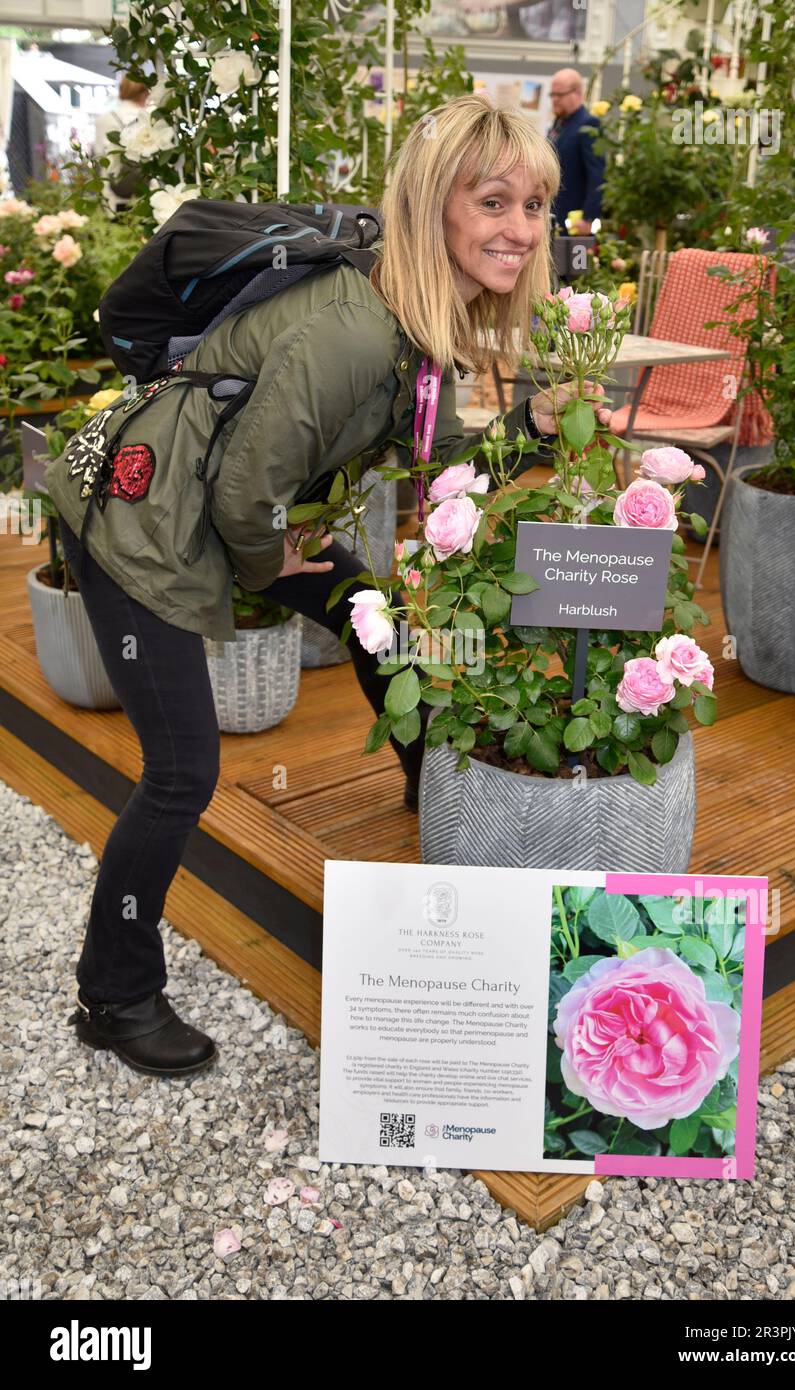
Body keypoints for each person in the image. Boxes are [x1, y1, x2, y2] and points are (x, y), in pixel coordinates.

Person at [45, 93, 612, 1078]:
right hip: (143, 521)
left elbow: (422, 454)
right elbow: (241, 492)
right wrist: (272, 560)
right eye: (493, 203)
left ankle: (425, 784)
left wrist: (528, 425)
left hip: (221, 510)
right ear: (434, 206)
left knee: (372, 615)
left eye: (533, 205)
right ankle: (114, 992)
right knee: (182, 770)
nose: (521, 230)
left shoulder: (407, 325)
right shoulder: (354, 330)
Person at [547, 67, 605, 234]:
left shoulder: (589, 125)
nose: (554, 100)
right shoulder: (559, 124)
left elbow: (598, 175)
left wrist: (588, 218)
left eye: (559, 95)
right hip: (554, 218)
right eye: (552, 95)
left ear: (577, 93)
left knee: (573, 261)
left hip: (574, 224)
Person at [92, 75, 149, 215]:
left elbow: (99, 157)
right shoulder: (148, 116)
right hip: (145, 190)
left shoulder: (104, 118)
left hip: (113, 192)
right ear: (144, 92)